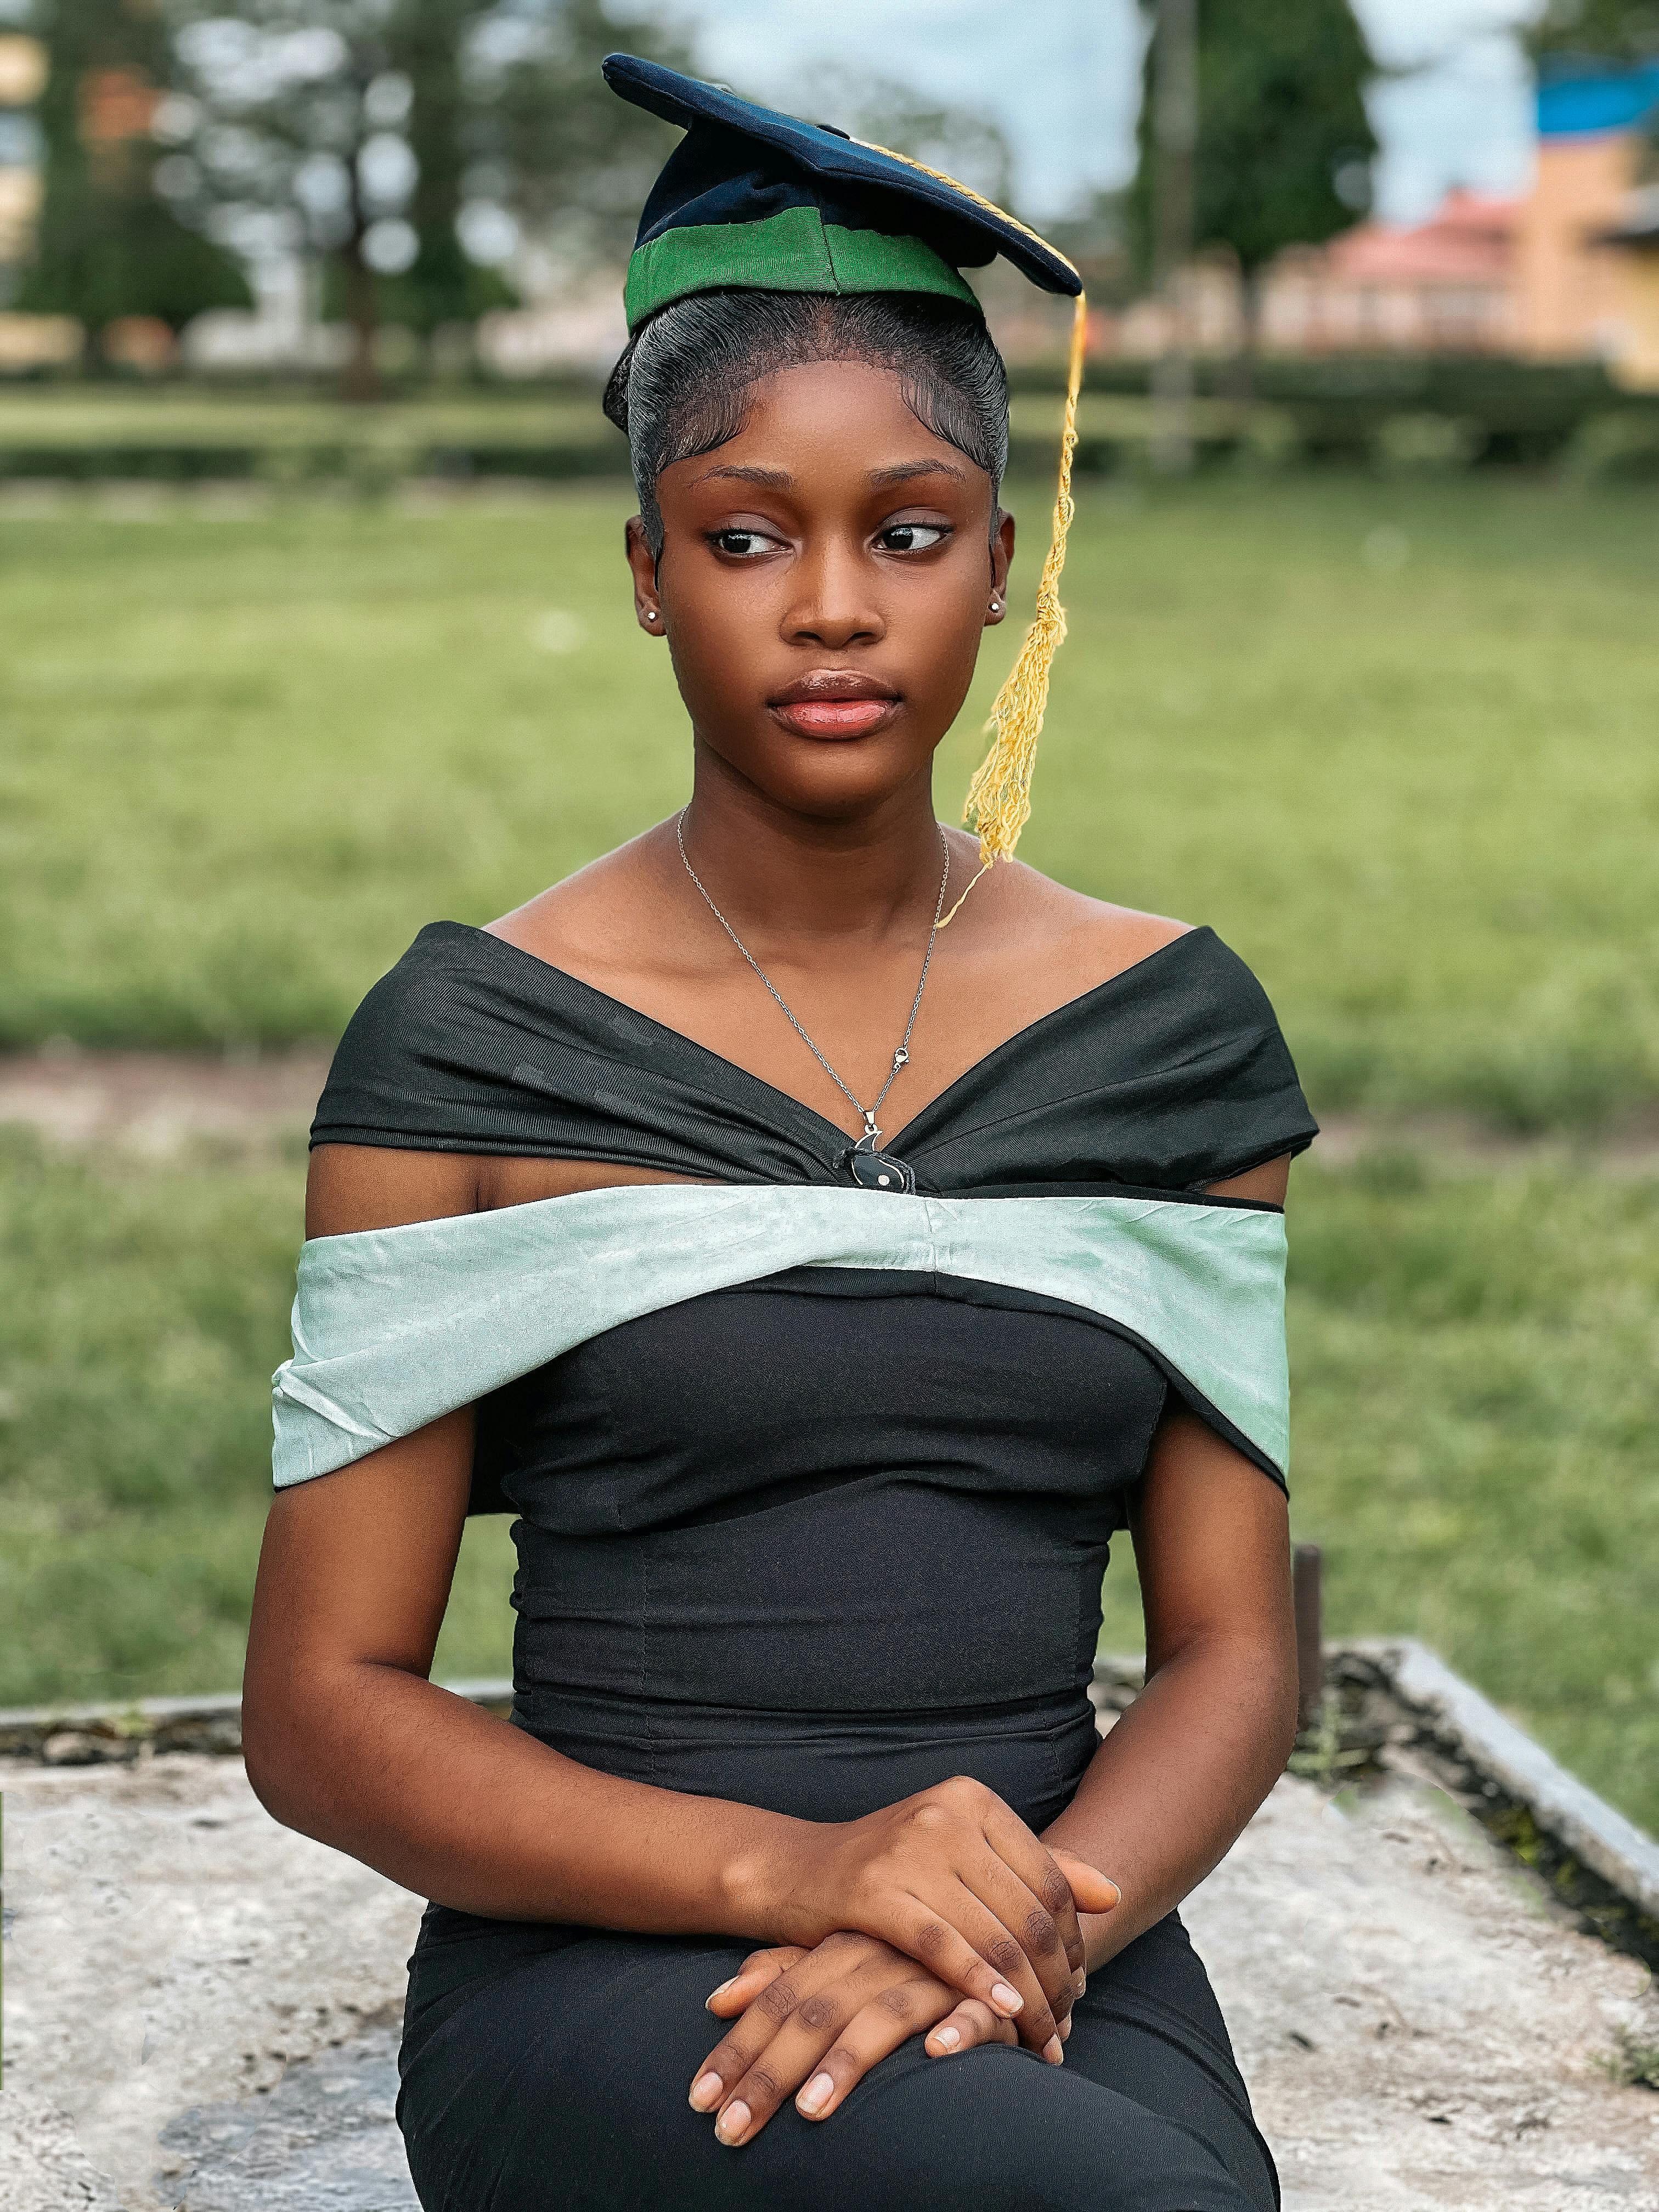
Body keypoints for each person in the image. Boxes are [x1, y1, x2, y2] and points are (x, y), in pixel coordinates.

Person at [244, 55, 1317, 2212]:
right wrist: (809, 1874)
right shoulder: (476, 1054)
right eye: (749, 536)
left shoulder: (1169, 1042)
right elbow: (325, 1706)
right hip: (612, 1956)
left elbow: (1235, 1642)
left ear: (1002, 564)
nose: (833, 603)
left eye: (906, 534)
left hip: (1061, 1935)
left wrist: (1034, 1921)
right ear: (648, 570)